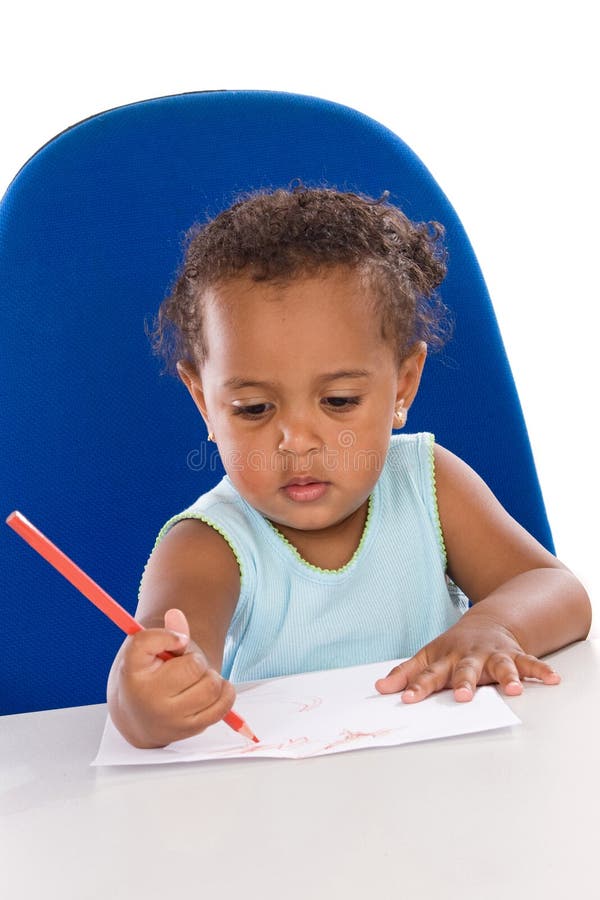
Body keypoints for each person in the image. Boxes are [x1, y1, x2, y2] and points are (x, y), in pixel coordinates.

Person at [107, 187, 591, 749]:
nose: (298, 443)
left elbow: (559, 590)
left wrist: (496, 625)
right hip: (285, 798)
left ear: (402, 385)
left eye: (338, 400)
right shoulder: (208, 544)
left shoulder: (427, 484)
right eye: (254, 408)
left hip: (444, 783)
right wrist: (146, 700)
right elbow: (159, 658)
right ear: (204, 403)